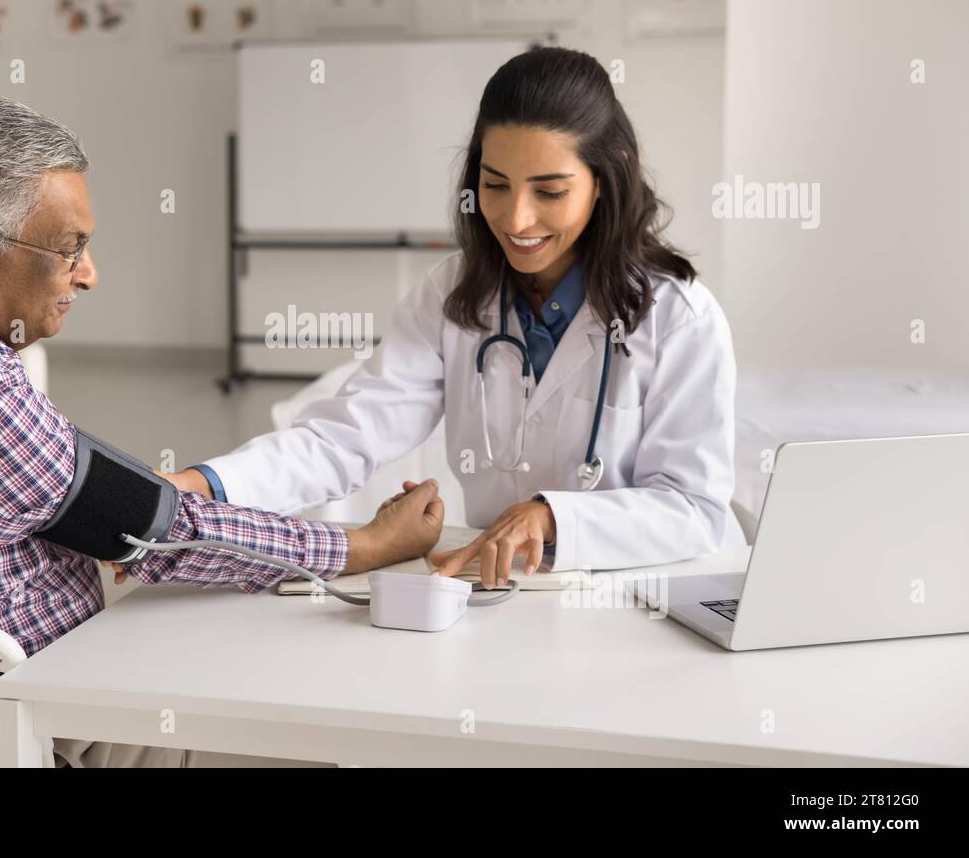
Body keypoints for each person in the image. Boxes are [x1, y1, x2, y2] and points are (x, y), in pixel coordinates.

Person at [0, 96, 442, 768]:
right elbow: (160, 533)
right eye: (70, 249)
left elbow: (76, 495)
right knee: (317, 726)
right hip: (11, 739)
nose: (89, 274)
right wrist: (362, 544)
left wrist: (130, 508)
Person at [165, 46, 739, 589]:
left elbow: (694, 509)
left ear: (606, 179)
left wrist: (550, 518)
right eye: (495, 185)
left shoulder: (679, 319)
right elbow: (345, 437)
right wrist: (202, 486)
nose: (516, 218)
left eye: (550, 192)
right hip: (497, 586)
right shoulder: (453, 294)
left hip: (636, 597)